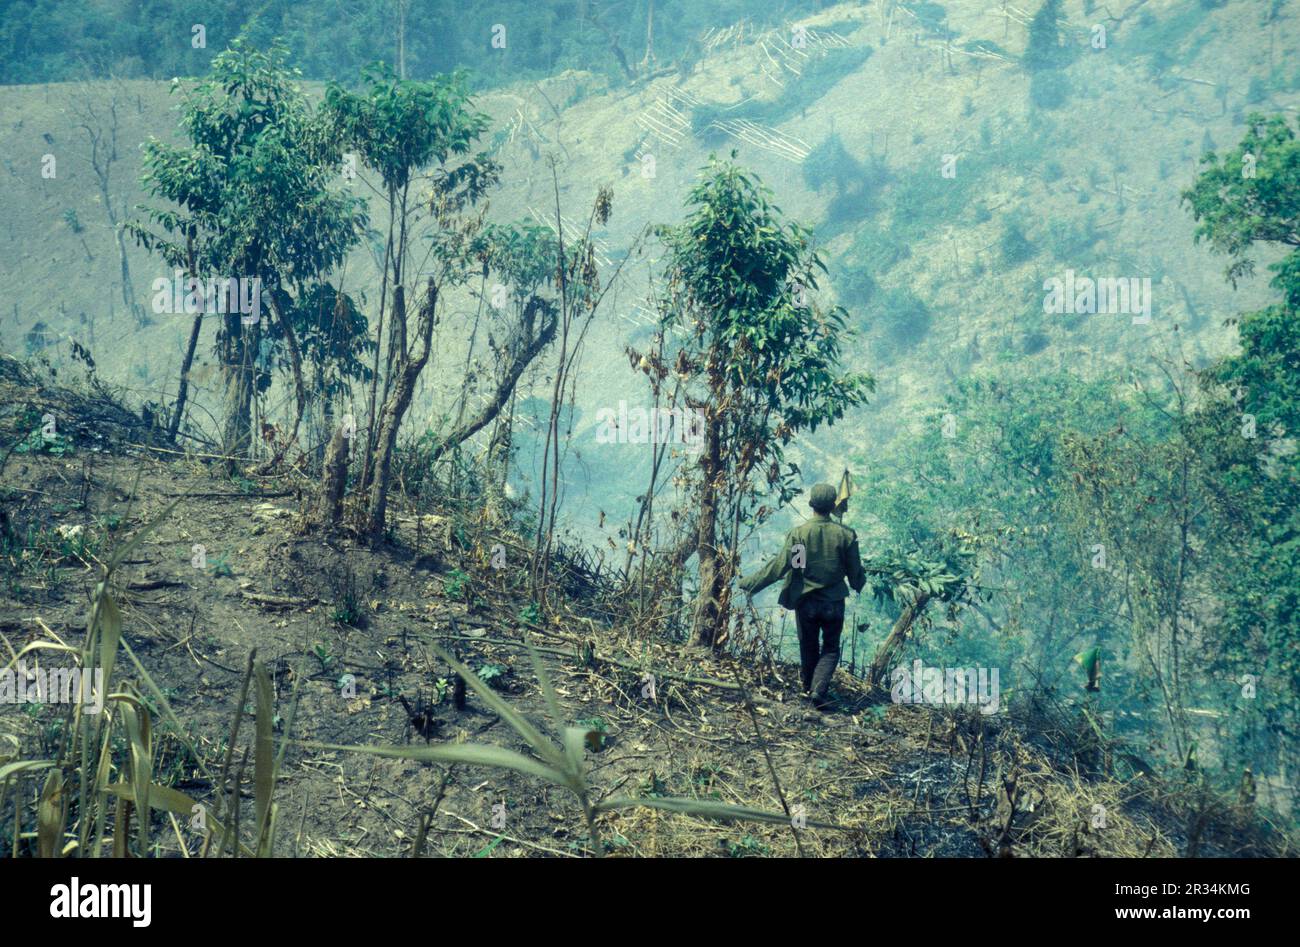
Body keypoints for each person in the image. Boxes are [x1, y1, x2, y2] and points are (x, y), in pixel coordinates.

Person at [738, 483, 866, 710]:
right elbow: (855, 573)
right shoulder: (845, 535)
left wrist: (750, 584)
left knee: (808, 645)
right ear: (833, 506)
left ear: (811, 505)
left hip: (806, 602)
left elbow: (786, 567)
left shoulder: (800, 535)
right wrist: (858, 582)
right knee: (831, 648)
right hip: (833, 603)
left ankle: (809, 689)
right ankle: (818, 690)